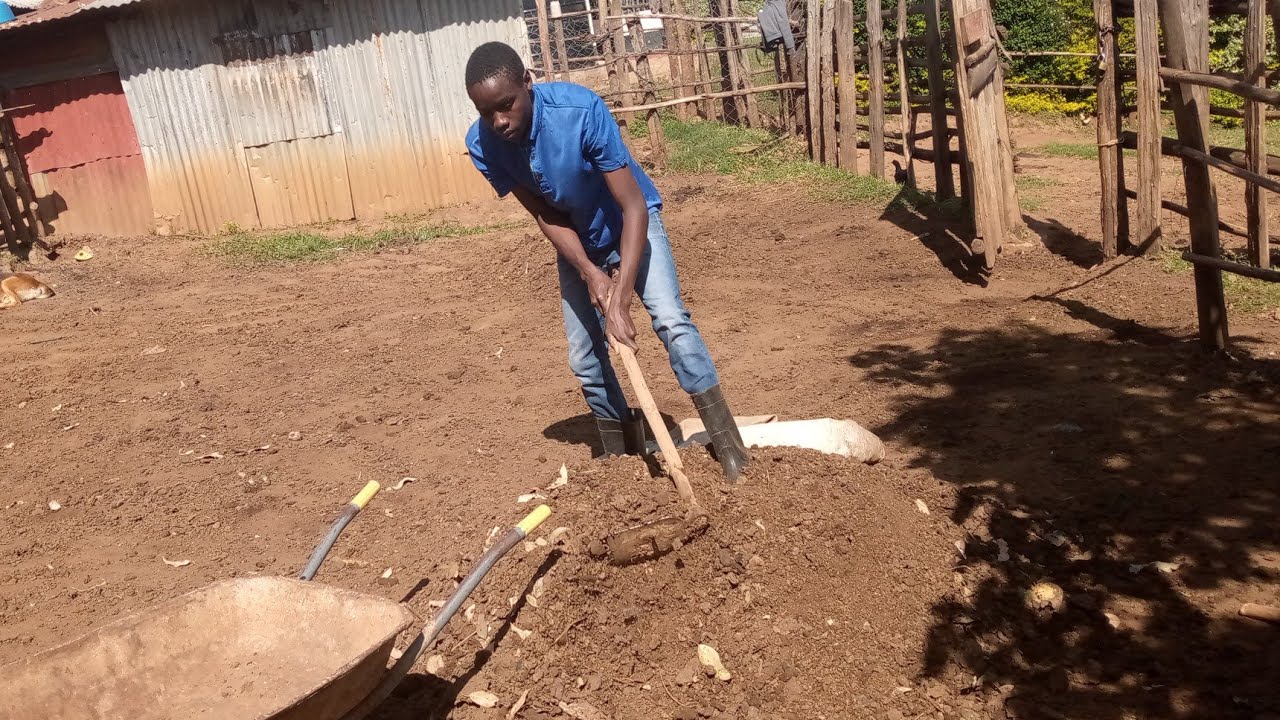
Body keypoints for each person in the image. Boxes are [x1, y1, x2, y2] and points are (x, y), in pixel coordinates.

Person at [462, 41, 750, 481]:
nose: (499, 121)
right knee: (584, 357)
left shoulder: (580, 110)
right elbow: (544, 212)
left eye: (506, 105)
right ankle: (625, 452)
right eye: (487, 113)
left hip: (629, 221)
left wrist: (619, 302)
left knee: (671, 320)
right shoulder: (482, 144)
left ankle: (729, 444)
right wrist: (590, 272)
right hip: (577, 239)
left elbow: (633, 205)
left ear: (527, 83)